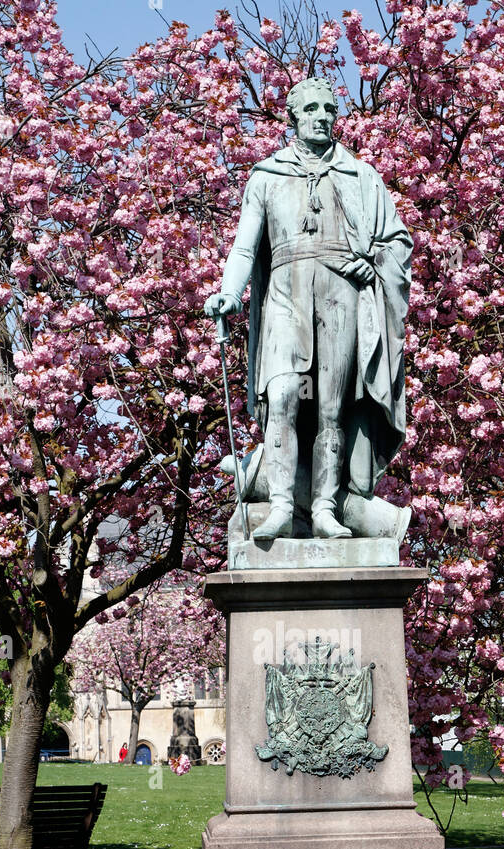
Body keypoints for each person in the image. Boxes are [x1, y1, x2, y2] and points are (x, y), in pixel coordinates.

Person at [204, 77, 412, 542]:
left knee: (332, 410)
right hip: (284, 293)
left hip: (340, 295)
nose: (322, 116)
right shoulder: (267, 175)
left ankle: (322, 508)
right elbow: (244, 248)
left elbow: (398, 241)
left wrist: (372, 262)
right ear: (293, 117)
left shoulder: (360, 176)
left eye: (330, 109)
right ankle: (280, 504)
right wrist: (229, 292)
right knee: (282, 397)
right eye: (312, 108)